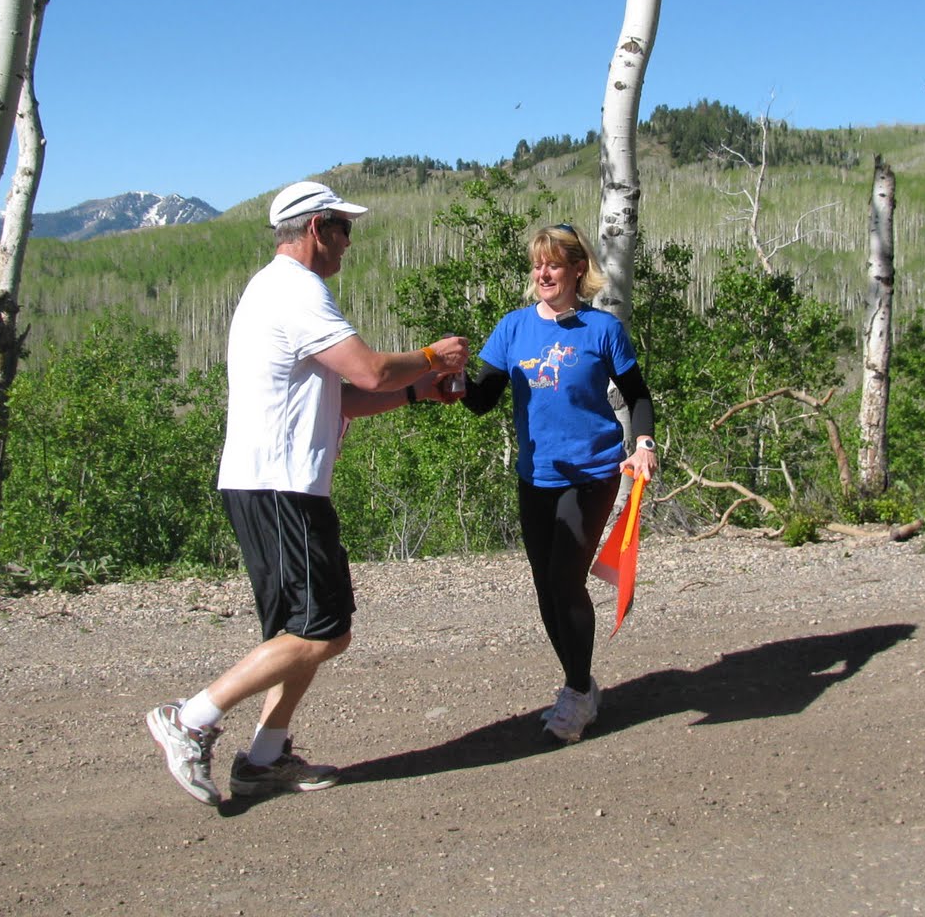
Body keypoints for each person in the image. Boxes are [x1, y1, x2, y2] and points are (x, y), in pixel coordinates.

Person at [146, 179, 468, 805]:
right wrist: (432, 356)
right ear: (319, 228)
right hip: (280, 488)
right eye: (345, 229)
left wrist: (414, 392)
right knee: (323, 630)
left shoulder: (274, 290)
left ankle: (264, 758)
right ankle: (189, 719)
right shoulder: (297, 291)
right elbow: (369, 368)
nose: (350, 242)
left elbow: (343, 396)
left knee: (295, 634)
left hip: (271, 485)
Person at [458, 223, 657, 744]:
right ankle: (583, 686)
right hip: (536, 475)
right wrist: (448, 378)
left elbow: (638, 396)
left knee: (566, 580)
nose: (544, 273)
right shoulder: (513, 329)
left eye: (554, 264)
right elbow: (482, 401)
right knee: (546, 584)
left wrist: (643, 446)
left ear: (576, 270)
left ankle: (574, 692)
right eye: (538, 264)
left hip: (591, 474)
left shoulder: (601, 329)